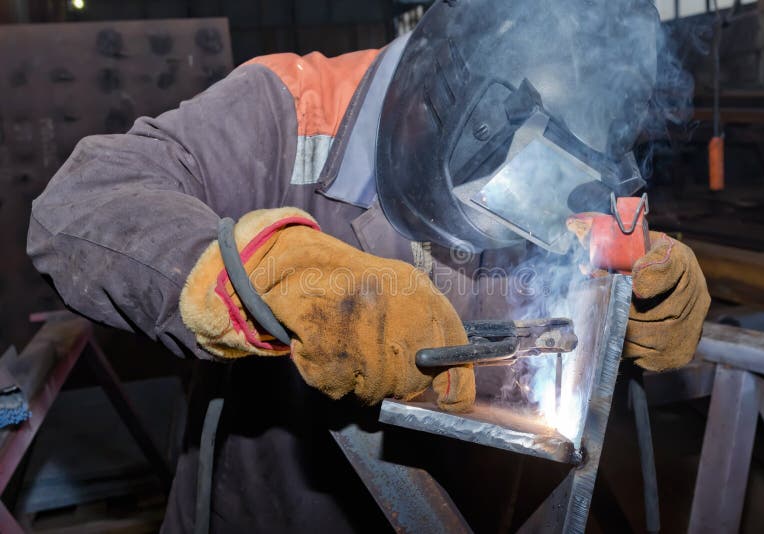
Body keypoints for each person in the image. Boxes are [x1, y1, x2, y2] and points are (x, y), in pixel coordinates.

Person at [27, 0, 709, 531]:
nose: (518, 206)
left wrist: (631, 304)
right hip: (274, 514)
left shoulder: (571, 160)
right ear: (446, 91)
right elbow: (81, 205)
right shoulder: (292, 106)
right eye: (502, 165)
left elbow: (593, 291)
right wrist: (276, 273)